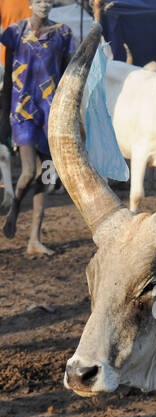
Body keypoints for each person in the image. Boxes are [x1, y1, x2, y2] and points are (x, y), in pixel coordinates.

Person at [0, 0, 71, 255]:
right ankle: (15, 207)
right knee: (29, 171)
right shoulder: (15, 32)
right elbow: (8, 76)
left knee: (47, 177)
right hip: (22, 112)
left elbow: (64, 77)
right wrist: (3, 122)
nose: (44, 5)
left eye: (48, 1)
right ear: (30, 4)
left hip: (50, 114)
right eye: (39, 1)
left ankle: (34, 239)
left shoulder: (63, 34)